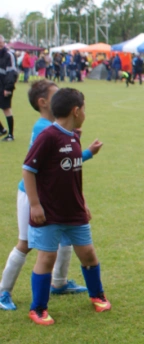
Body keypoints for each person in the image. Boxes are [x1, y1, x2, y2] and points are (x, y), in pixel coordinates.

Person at [0, 81, 95, 311]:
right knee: (25, 243)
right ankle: (3, 290)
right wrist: (35, 204)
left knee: (65, 235)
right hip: (33, 194)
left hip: (54, 193)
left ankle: (59, 282)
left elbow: (65, 163)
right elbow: (41, 165)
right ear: (43, 103)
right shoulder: (45, 129)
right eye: (56, 95)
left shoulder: (57, 127)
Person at [21, 88, 109, 325]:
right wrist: (35, 205)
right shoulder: (48, 136)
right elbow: (28, 170)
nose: (85, 113)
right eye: (84, 109)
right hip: (49, 213)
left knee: (88, 254)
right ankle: (38, 308)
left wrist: (83, 202)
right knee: (47, 258)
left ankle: (97, 295)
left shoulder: (73, 136)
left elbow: (72, 174)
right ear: (76, 111)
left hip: (74, 211)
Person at [0, 35, 16, 142]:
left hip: (5, 86)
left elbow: (12, 72)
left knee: (6, 109)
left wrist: (8, 88)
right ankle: (2, 130)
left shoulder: (9, 55)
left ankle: (10, 134)